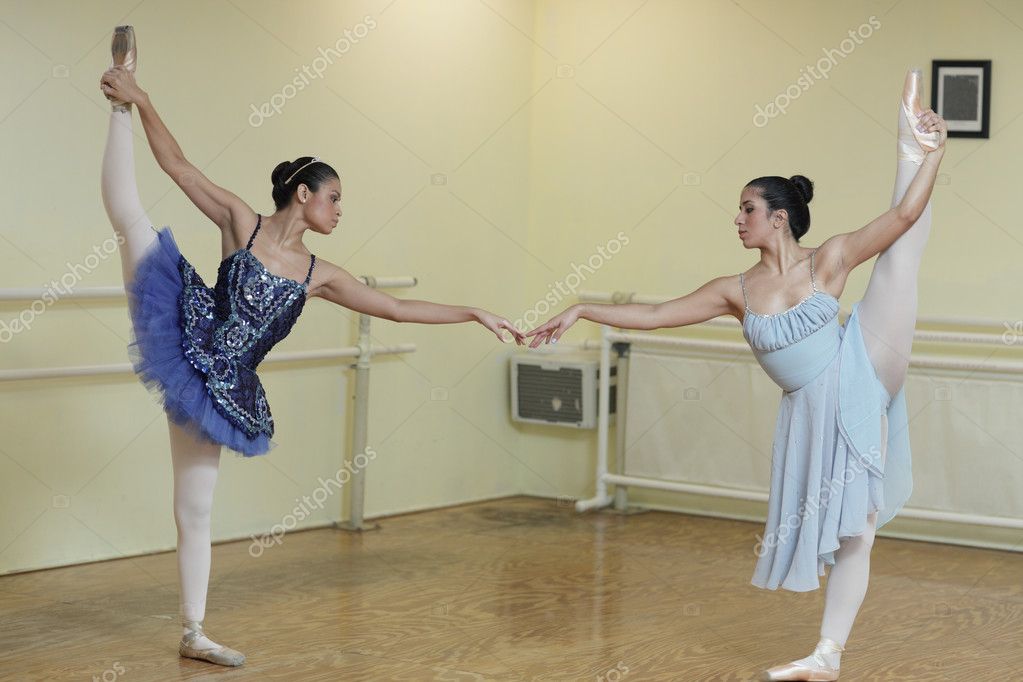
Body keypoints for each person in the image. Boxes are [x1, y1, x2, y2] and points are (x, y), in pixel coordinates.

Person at [99, 26, 524, 667]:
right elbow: (179, 165)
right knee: (130, 216)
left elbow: (398, 309)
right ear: (305, 194)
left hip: (223, 389)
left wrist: (473, 311)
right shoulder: (242, 221)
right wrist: (141, 99)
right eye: (335, 197)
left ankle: (193, 632)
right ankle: (115, 101)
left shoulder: (318, 275)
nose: (340, 209)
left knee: (194, 509)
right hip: (186, 336)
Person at [525, 70, 946, 681]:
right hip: (808, 411)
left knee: (899, 263)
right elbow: (655, 313)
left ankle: (913, 143)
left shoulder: (828, 260)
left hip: (860, 370)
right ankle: (827, 658)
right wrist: (584, 307)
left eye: (747, 208)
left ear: (779, 218)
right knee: (854, 528)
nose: (737, 218)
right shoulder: (735, 290)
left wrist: (937, 153)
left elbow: (904, 215)